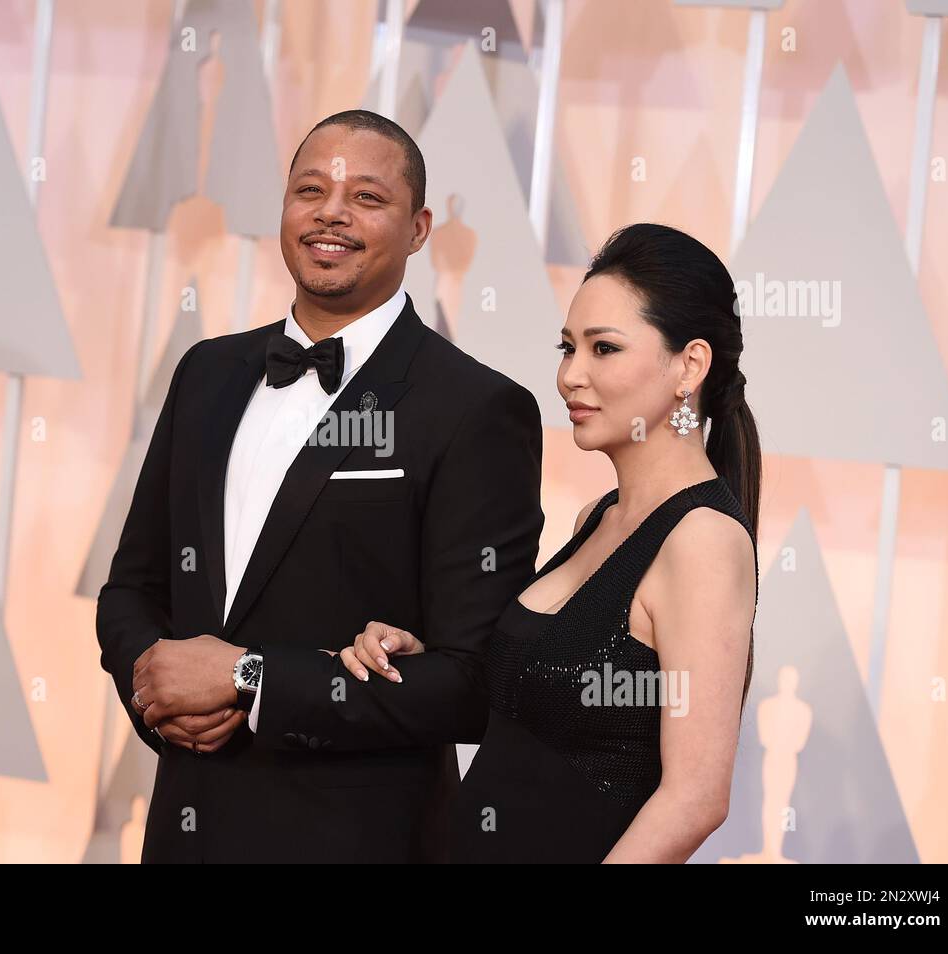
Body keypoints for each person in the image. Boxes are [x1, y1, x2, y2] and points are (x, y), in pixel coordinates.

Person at [96, 109, 544, 863]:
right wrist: (160, 696)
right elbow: (131, 590)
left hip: (357, 840)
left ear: (420, 227)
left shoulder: (474, 409)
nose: (331, 211)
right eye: (310, 190)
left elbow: (472, 683)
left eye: (367, 198)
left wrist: (247, 679)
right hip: (187, 828)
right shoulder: (206, 373)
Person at [341, 223, 761, 863]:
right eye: (567, 348)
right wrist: (417, 651)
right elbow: (538, 705)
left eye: (604, 349)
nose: (571, 376)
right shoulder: (597, 518)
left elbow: (696, 798)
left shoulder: (703, 541)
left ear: (690, 365)